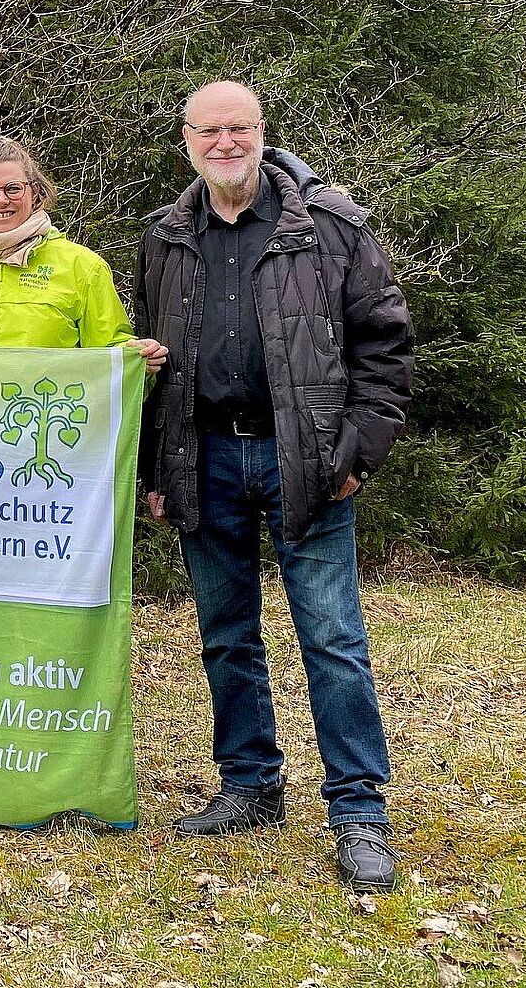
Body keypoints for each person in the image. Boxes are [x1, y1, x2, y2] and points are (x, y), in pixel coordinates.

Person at [135, 80, 414, 893]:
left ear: (263, 132)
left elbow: (385, 345)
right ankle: (250, 785)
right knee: (226, 633)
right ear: (186, 140)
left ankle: (358, 811)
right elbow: (148, 362)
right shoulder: (164, 236)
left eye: (239, 128)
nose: (225, 142)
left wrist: (354, 454)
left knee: (332, 637)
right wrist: (156, 469)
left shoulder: (330, 226)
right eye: (209, 130)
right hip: (204, 459)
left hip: (306, 460)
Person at [0, 135, 166, 368]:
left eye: (13, 188)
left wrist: (136, 359)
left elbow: (109, 353)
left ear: (34, 192)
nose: (1, 200)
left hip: (50, 407)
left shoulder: (82, 267)